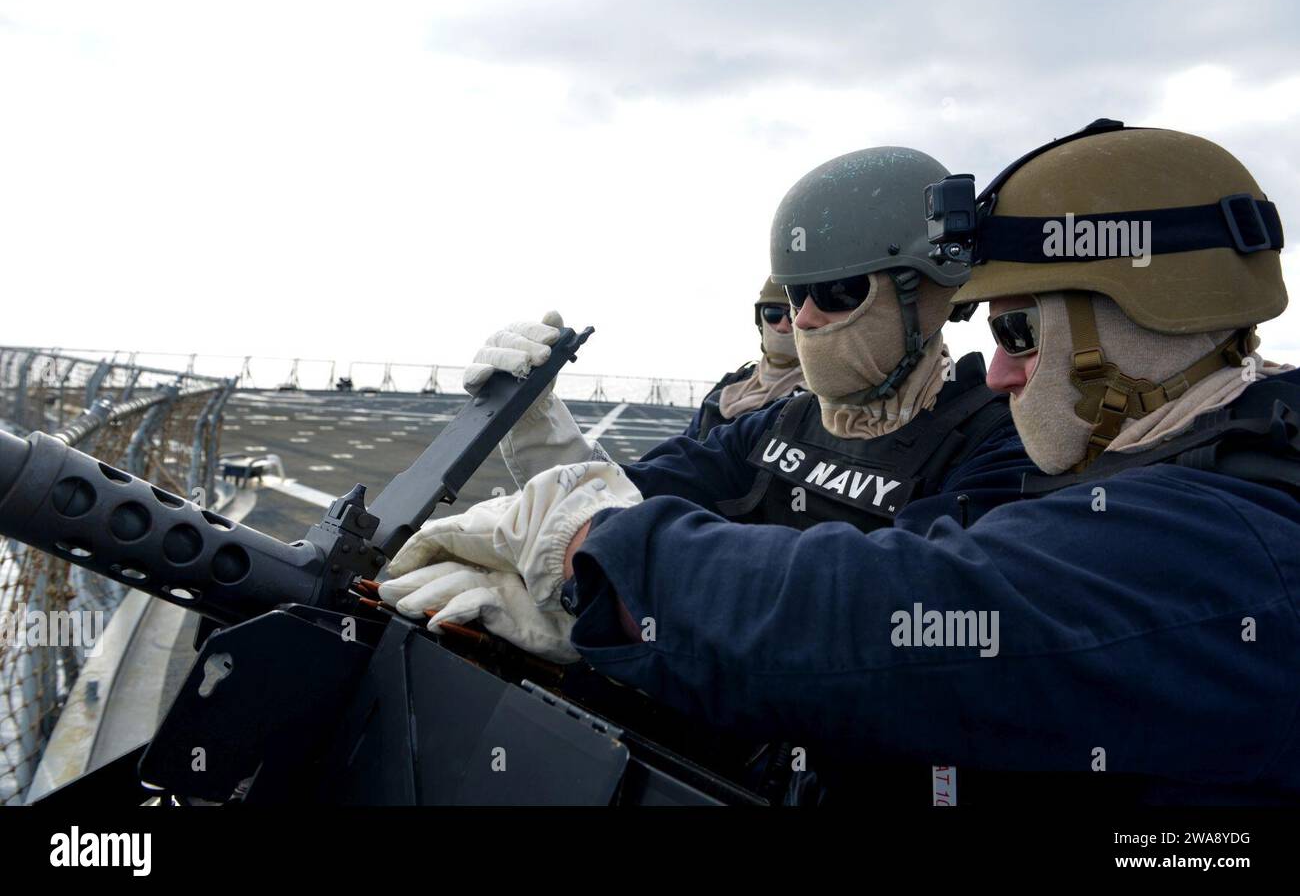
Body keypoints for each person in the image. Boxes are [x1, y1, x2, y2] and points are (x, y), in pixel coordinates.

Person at [421, 119, 1299, 805]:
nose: (1000, 369)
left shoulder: (1225, 537)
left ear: (1141, 319)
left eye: (1019, 329)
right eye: (789, 300)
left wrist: (598, 564)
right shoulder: (779, 426)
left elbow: (904, 616)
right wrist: (548, 460)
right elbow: (638, 494)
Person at [380, 146, 1034, 801]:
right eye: (797, 294)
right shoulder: (778, 423)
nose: (803, 318)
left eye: (839, 292)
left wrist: (631, 624)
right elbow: (619, 509)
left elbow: (894, 633)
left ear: (928, 294)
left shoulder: (995, 447)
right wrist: (539, 429)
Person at [684, 276, 803, 441]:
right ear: (759, 320)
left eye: (792, 316)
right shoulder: (731, 386)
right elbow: (687, 446)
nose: (782, 327)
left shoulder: (822, 401)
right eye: (773, 314)